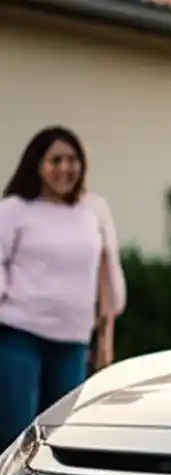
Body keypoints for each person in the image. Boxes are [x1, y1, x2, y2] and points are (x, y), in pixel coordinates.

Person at [0, 126, 126, 446]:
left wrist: (105, 339)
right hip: (19, 337)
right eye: (55, 160)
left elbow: (106, 271)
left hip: (72, 340)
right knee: (17, 431)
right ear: (38, 164)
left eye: (72, 160)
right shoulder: (15, 209)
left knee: (62, 434)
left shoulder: (94, 209)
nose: (65, 168)